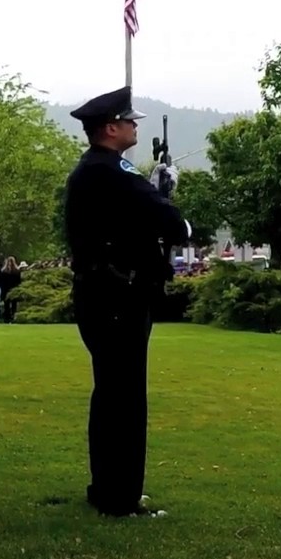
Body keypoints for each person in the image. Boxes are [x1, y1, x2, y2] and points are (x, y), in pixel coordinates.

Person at [63, 86, 191, 517]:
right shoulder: (111, 171)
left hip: (103, 292)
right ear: (110, 128)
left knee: (111, 395)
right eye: (129, 120)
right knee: (125, 399)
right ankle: (120, 496)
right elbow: (169, 223)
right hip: (119, 295)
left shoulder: (98, 171)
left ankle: (107, 487)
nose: (136, 126)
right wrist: (167, 200)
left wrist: (153, 188)